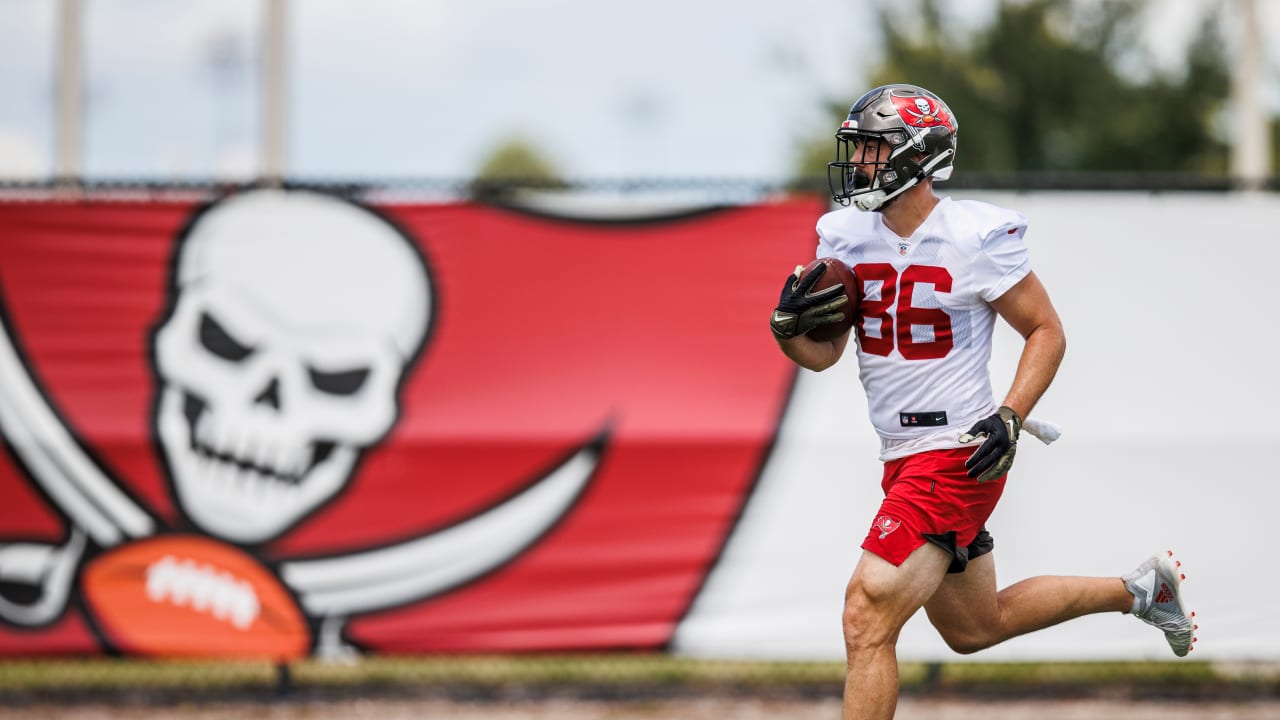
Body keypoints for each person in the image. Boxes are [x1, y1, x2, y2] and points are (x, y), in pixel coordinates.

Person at [768, 84, 1195, 720]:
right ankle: (1140, 592)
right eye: (855, 150)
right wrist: (789, 332)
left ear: (916, 157)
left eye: (871, 150)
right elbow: (825, 355)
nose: (857, 164)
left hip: (959, 451)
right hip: (901, 455)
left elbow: (1046, 330)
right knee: (975, 628)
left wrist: (1011, 414)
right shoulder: (845, 236)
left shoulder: (973, 234)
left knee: (866, 613)